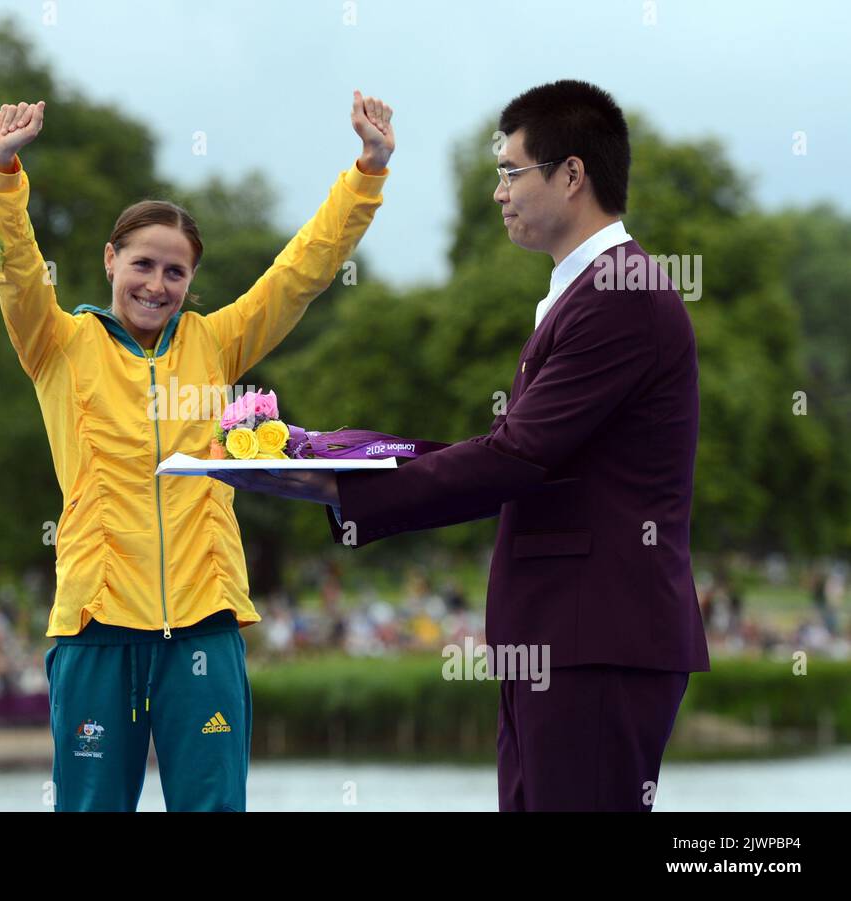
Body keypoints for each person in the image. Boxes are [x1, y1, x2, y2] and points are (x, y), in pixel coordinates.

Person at [215, 80, 710, 811]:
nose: (498, 193)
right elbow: (515, 448)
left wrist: (344, 489)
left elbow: (515, 457)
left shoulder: (622, 293)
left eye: (511, 172)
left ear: (571, 175)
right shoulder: (584, 291)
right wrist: (336, 453)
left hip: (596, 638)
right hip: (557, 636)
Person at [0, 92, 395, 811]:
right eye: (143, 264)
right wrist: (3, 173)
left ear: (191, 283)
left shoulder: (215, 343)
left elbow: (300, 273)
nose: (156, 284)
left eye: (176, 273)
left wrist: (367, 171)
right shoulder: (56, 343)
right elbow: (18, 269)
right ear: (110, 260)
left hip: (203, 628)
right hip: (96, 626)